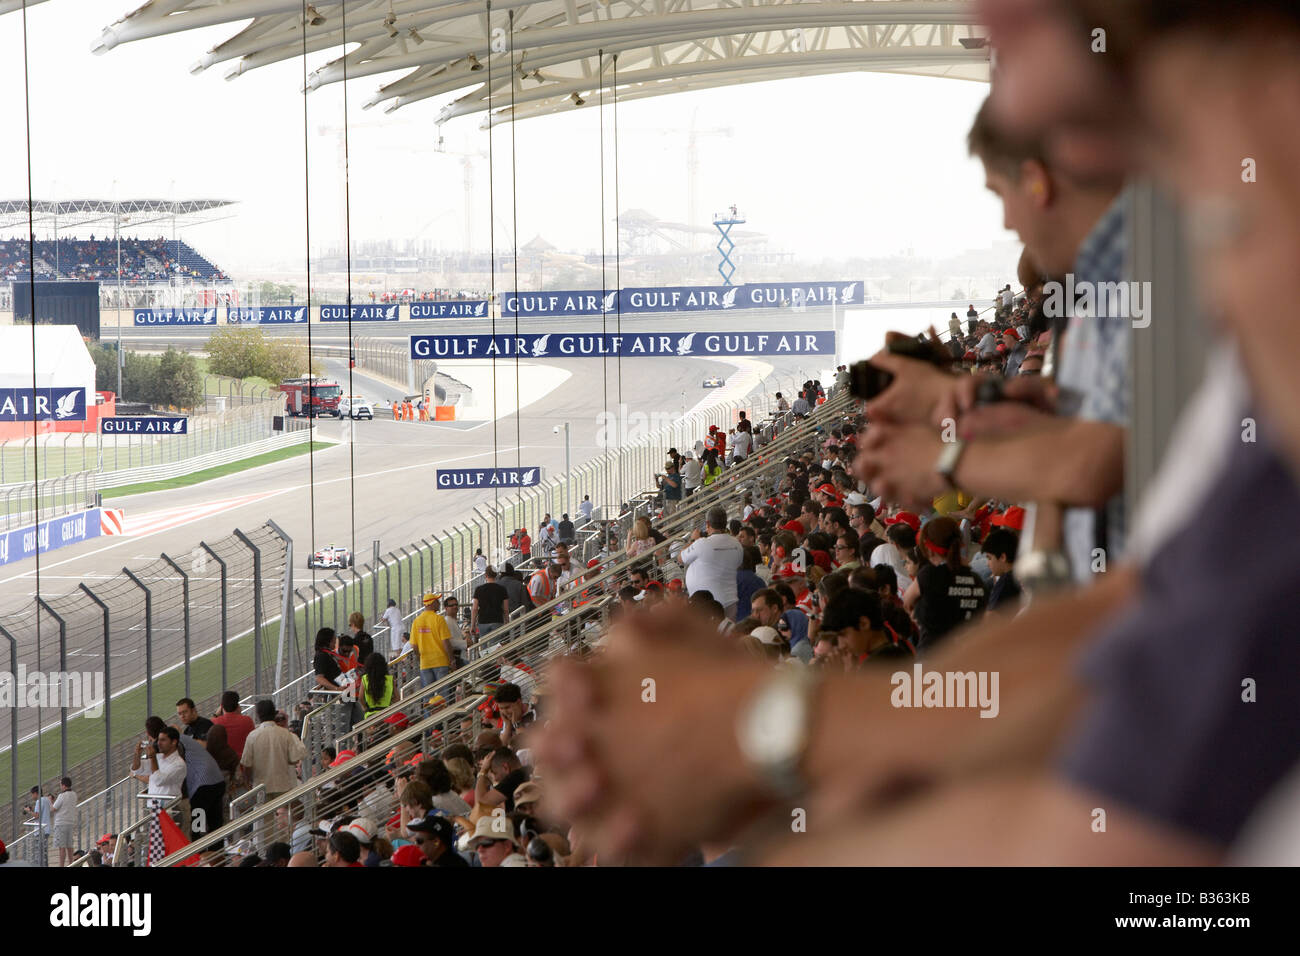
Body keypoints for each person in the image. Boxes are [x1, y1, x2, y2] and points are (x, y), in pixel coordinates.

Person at [239, 699, 307, 802]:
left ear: (258, 715)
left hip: (260, 788)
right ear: (273, 714)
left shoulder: (252, 736)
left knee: (266, 818)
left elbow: (247, 764)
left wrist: (247, 783)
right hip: (283, 785)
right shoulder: (285, 734)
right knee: (284, 816)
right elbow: (294, 760)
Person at [680, 507, 743, 617]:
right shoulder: (736, 544)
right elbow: (738, 565)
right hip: (730, 602)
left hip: (707, 607)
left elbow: (681, 558)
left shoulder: (701, 543)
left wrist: (693, 540)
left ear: (707, 524)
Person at [411, 593, 454, 686]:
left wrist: (420, 658)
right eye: (437, 601)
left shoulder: (416, 621)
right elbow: (445, 642)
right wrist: (452, 660)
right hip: (440, 661)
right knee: (443, 695)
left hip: (425, 663)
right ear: (432, 603)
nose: (439, 603)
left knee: (428, 696)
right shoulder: (439, 619)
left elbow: (414, 646)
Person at [472, 566, 509, 645]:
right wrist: (507, 621)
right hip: (497, 620)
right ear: (496, 575)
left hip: (483, 621)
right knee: (495, 646)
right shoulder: (502, 589)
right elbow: (505, 609)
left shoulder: (479, 589)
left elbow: (475, 609)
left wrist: (473, 625)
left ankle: (485, 657)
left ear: (486, 575)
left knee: (484, 645)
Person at [211, 691, 255, 759]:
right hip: (243, 764)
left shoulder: (214, 722)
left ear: (222, 706)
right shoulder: (248, 721)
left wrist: (216, 714)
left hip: (222, 765)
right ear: (237, 706)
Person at [359, 652, 395, 719]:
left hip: (370, 715)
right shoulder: (390, 679)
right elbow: (397, 698)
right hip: (387, 714)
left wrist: (365, 708)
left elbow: (361, 698)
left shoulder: (365, 679)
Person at [25, 785, 52, 867]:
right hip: (46, 829)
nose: (32, 796)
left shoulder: (39, 801)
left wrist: (29, 811)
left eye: (32, 794)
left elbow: (37, 815)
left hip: (40, 831)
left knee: (39, 854)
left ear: (36, 793)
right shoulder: (46, 800)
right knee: (44, 853)